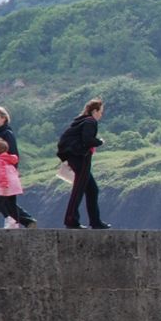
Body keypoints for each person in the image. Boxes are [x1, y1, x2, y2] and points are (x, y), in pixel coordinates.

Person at [58, 98, 110, 229]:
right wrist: (100, 142)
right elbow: (87, 140)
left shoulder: (81, 121)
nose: (101, 115)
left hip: (74, 157)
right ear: (94, 111)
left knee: (92, 189)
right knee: (79, 189)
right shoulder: (91, 121)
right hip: (81, 158)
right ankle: (71, 220)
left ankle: (95, 221)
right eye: (100, 112)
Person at [0, 138, 37, 229]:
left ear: (0, 150)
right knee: (12, 204)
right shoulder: (8, 159)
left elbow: (1, 172)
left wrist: (3, 184)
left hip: (5, 184)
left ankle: (9, 219)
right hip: (14, 184)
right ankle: (15, 223)